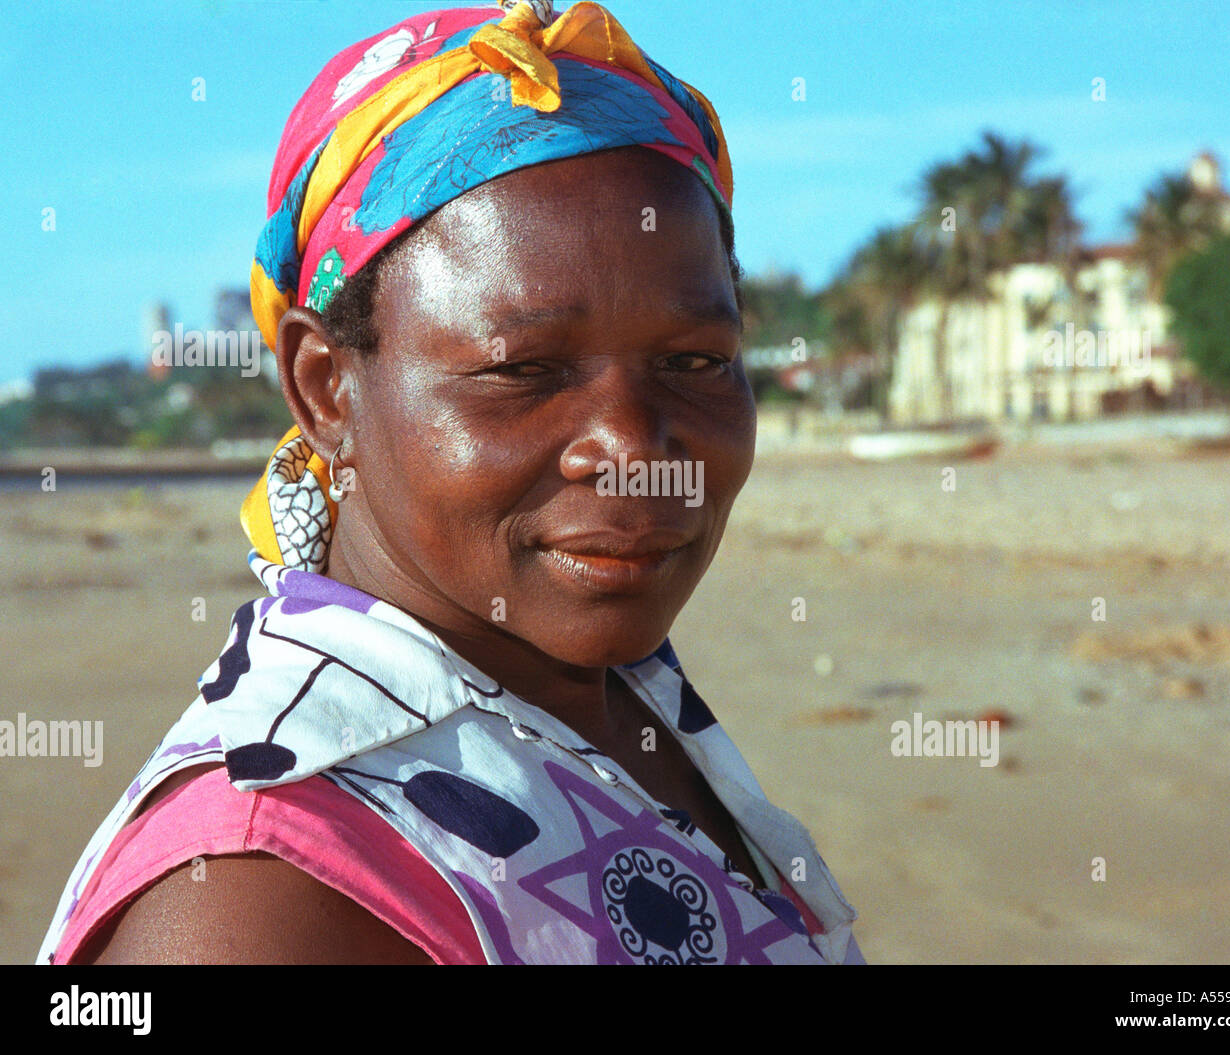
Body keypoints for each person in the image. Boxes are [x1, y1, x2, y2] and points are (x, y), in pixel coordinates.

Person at [38, 0, 863, 965]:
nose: (635, 448)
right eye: (524, 370)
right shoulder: (262, 902)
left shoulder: (612, 698)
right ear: (326, 389)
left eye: (693, 361)